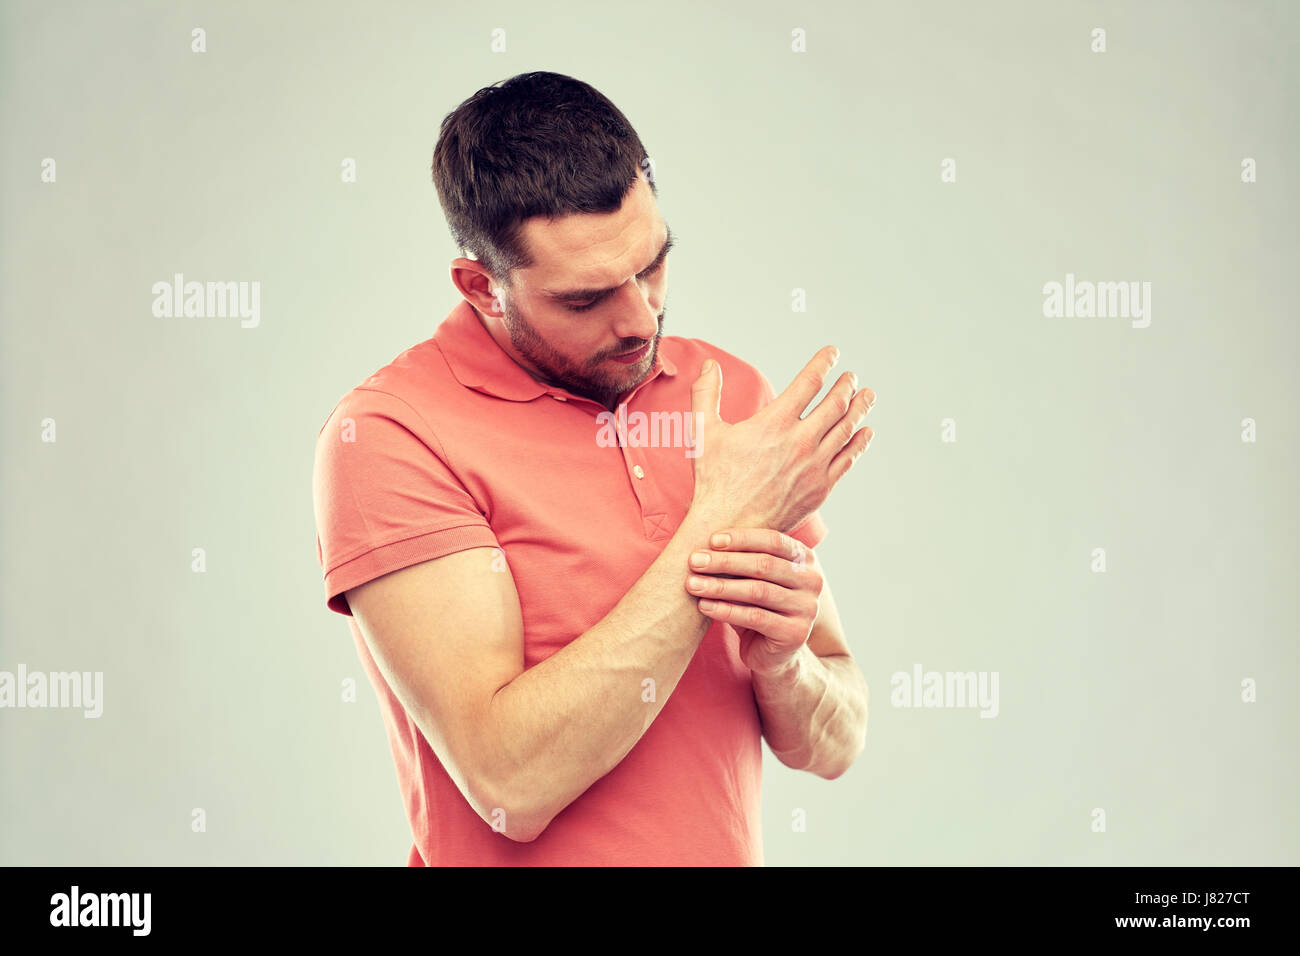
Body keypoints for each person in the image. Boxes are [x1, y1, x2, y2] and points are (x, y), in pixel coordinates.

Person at [311, 71, 875, 865]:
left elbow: (837, 742)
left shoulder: (728, 396)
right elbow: (511, 783)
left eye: (652, 265)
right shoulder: (392, 435)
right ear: (482, 288)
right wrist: (718, 523)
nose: (641, 320)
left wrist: (785, 667)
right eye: (585, 299)